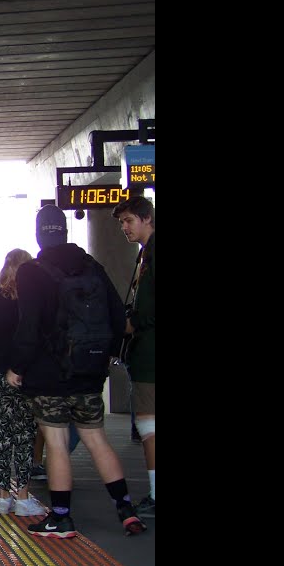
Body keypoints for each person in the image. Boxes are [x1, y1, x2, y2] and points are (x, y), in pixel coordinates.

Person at [6, 205, 146, 538]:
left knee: (55, 443)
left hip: (49, 375)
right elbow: (116, 318)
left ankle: (61, 517)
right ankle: (125, 508)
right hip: (89, 372)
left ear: (40, 233)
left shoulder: (32, 271)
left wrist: (17, 367)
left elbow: (29, 326)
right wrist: (101, 357)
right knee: (97, 438)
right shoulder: (92, 266)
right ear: (65, 231)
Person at [0, 248, 48, 517]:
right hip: (25, 375)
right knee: (24, 435)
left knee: (1, 435)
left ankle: (2, 496)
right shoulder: (32, 300)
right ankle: (22, 496)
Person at [113, 195, 156, 517]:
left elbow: (149, 309)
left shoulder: (152, 255)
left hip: (150, 357)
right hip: (147, 353)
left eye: (128, 221)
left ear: (145, 218)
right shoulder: (146, 254)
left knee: (148, 426)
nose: (124, 228)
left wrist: (132, 322)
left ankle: (155, 494)